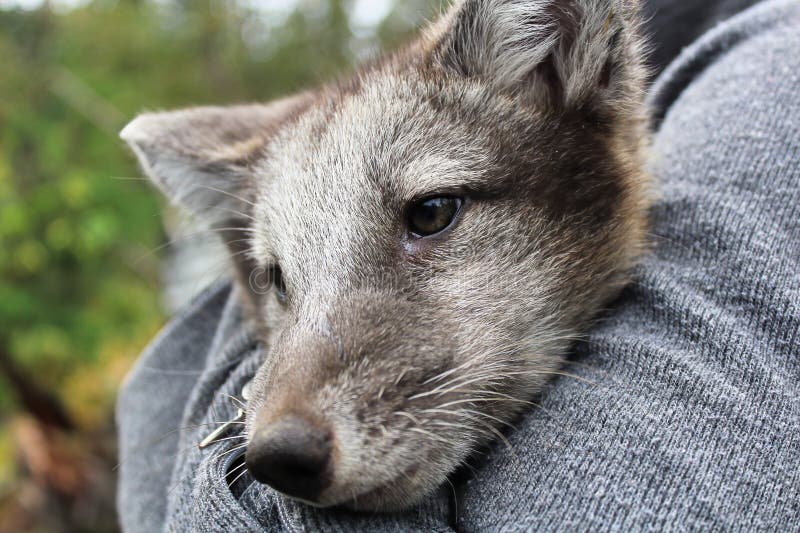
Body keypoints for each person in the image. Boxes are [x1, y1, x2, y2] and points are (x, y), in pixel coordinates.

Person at [116, 0, 800, 530]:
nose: (274, 432)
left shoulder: (769, 63)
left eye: (430, 214)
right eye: (281, 280)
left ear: (559, 52)